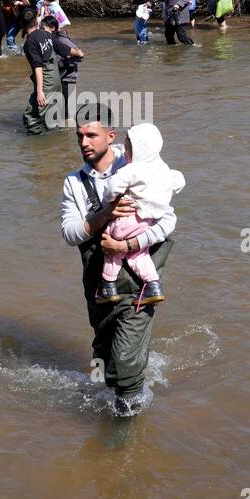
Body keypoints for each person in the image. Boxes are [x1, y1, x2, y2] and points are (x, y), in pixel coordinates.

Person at [59, 103, 177, 417]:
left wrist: (128, 242)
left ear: (111, 137)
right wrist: (106, 214)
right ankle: (115, 398)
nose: (84, 142)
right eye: (79, 136)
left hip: (140, 282)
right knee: (104, 360)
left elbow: (167, 222)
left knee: (125, 366)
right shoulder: (74, 183)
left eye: (92, 135)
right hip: (100, 284)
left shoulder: (141, 169)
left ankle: (125, 430)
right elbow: (70, 233)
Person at [94, 122, 184, 306]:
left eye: (129, 151)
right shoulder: (164, 171)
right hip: (146, 223)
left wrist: (110, 200)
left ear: (139, 150)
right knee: (139, 255)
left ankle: (108, 285)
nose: (126, 155)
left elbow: (112, 187)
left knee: (112, 248)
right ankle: (152, 285)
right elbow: (179, 180)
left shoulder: (131, 170)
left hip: (127, 220)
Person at [20, 9, 63, 135]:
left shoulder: (30, 42)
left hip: (46, 83)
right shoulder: (45, 34)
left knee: (30, 119)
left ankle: (42, 145)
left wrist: (39, 91)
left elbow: (38, 67)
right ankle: (57, 141)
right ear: (36, 21)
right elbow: (61, 48)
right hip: (55, 80)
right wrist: (77, 52)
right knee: (50, 115)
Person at [43, 15, 84, 121]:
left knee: (68, 112)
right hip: (60, 78)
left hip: (68, 78)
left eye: (43, 28)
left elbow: (81, 56)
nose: (41, 31)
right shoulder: (51, 39)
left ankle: (68, 131)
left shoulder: (61, 39)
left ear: (52, 28)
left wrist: (62, 63)